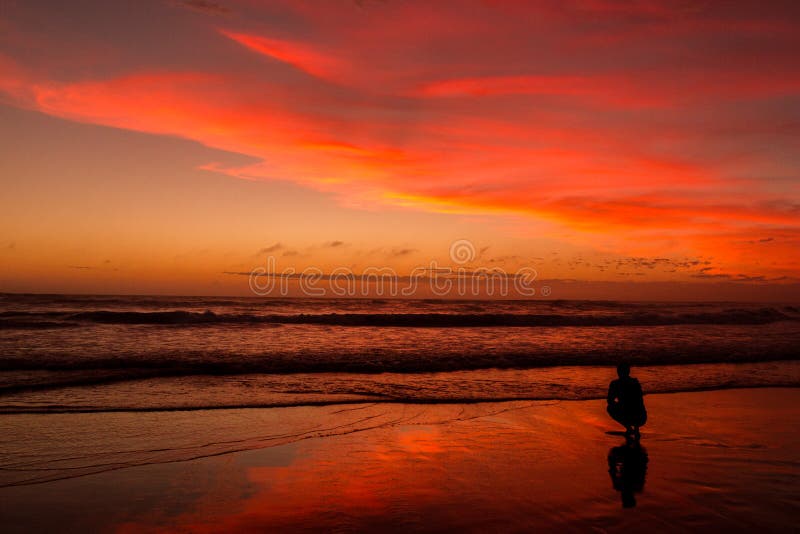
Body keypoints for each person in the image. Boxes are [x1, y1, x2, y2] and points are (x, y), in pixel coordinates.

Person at [607, 362, 647, 440]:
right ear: (628, 372)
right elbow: (640, 401)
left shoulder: (615, 384)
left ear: (618, 372)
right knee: (635, 406)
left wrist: (618, 403)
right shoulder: (635, 382)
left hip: (629, 415)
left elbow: (609, 400)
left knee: (610, 408)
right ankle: (636, 429)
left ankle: (629, 428)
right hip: (642, 417)